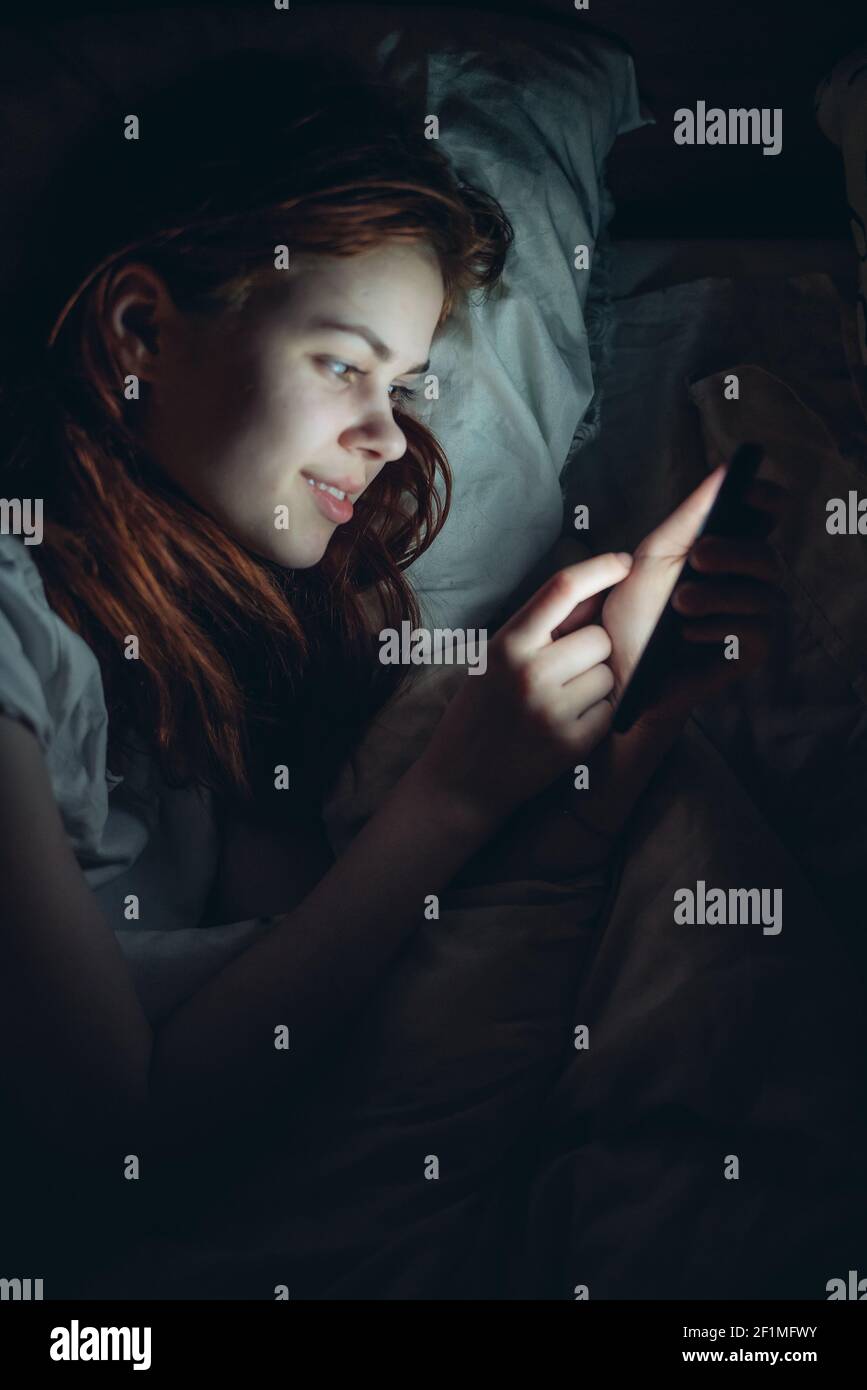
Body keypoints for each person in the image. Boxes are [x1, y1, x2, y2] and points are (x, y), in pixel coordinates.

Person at [0, 52, 786, 1292]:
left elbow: (308, 955)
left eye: (408, 384)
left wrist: (593, 733)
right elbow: (118, 1147)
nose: (389, 434)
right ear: (142, 330)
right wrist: (457, 798)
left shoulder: (215, 647)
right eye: (343, 364)